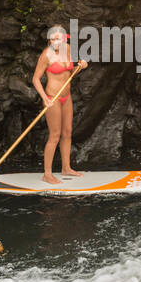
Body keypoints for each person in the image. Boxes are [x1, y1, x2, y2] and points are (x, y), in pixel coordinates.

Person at [31, 25, 88, 185]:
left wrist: (81, 66)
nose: (55, 42)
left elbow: (70, 72)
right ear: (49, 39)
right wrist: (44, 98)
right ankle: (47, 174)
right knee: (54, 135)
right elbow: (35, 79)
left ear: (65, 39)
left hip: (66, 97)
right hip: (52, 98)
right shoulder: (46, 55)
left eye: (58, 39)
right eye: (52, 39)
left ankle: (66, 168)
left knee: (67, 133)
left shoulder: (68, 49)